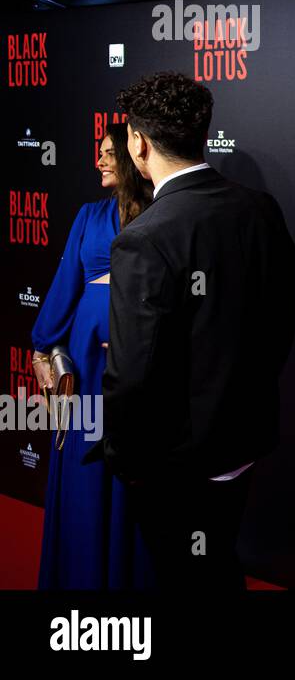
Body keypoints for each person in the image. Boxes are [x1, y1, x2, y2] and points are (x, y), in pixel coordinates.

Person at [82, 71, 295, 589]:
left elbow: (132, 374)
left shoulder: (144, 237)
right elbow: (282, 321)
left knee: (185, 575)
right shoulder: (259, 208)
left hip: (177, 463)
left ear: (138, 143)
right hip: (244, 443)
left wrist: (124, 459)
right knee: (215, 564)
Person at [29, 123, 155, 588]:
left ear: (132, 155)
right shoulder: (88, 215)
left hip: (138, 354)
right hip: (86, 359)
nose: (99, 161)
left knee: (131, 465)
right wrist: (43, 346)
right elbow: (66, 285)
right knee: (87, 459)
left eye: (107, 153)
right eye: (98, 153)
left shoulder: (160, 213)